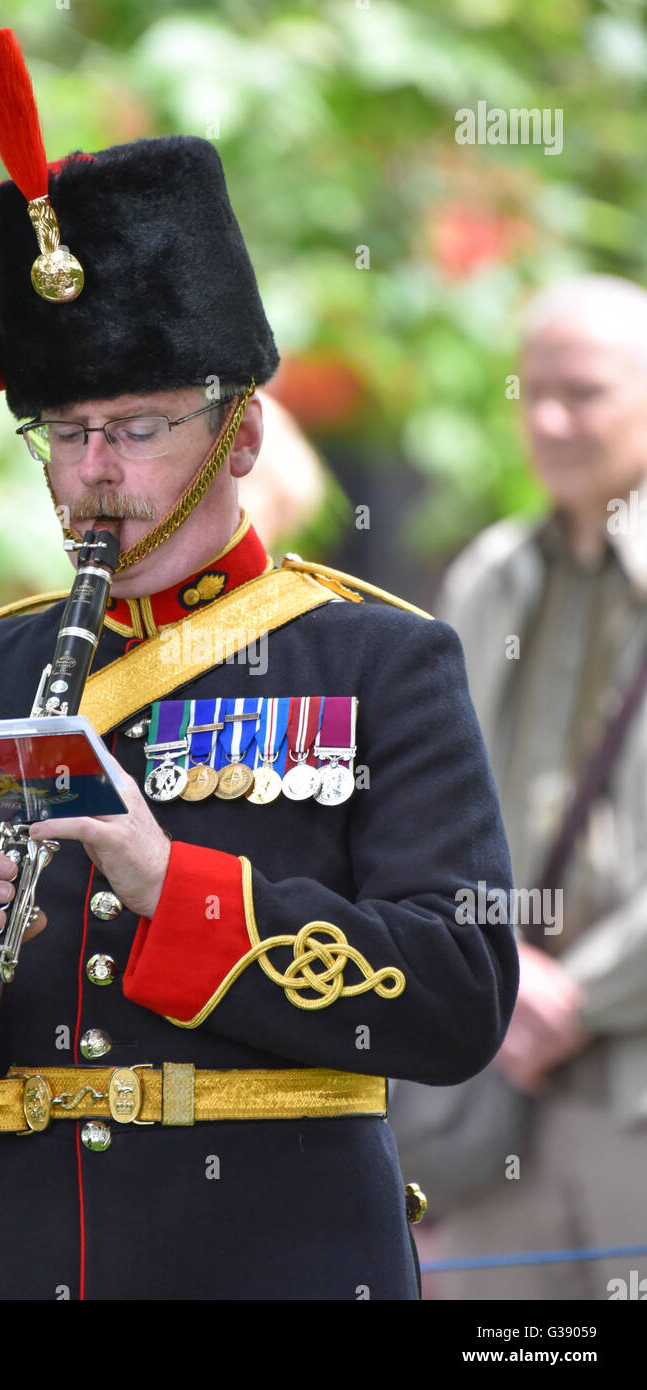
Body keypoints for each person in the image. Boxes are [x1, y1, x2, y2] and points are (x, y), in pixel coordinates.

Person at [0, 27, 517, 1300]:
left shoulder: (382, 659)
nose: (96, 476)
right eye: (62, 434)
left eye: (136, 427)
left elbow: (457, 995)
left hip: (285, 1260)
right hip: (12, 1260)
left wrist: (172, 883)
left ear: (241, 435)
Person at [429, 274, 647, 1300]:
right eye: (534, 391)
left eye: (587, 392)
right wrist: (493, 965)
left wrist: (583, 991)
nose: (552, 419)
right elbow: (426, 806)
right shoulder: (488, 575)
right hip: (497, 1075)